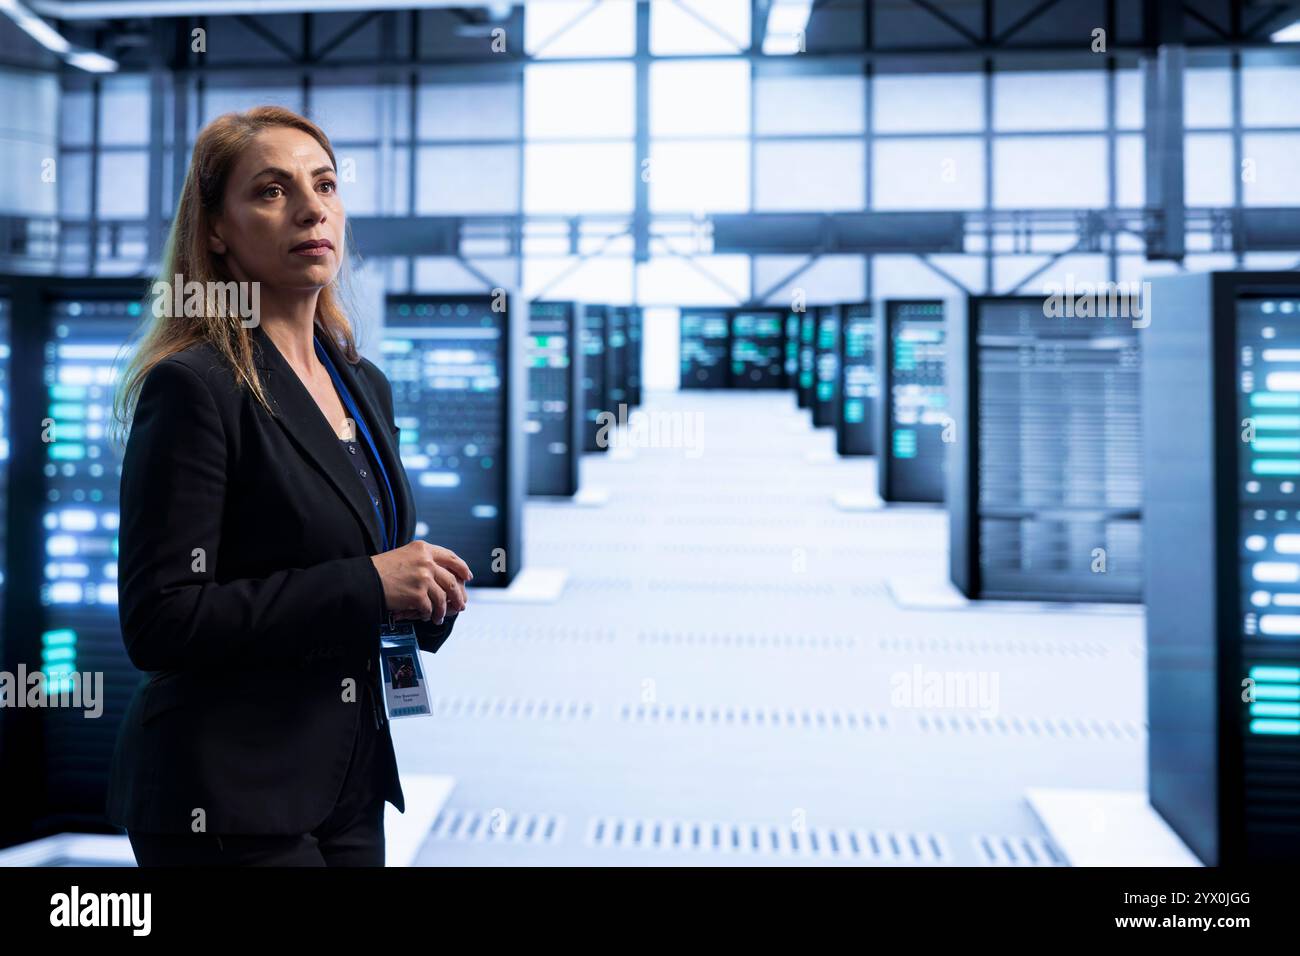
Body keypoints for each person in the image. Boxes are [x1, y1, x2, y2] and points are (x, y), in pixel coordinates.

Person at [104, 105, 472, 866]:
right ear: (216, 230)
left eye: (325, 185)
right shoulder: (195, 387)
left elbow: (363, 556)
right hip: (226, 791)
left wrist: (420, 593)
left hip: (347, 780)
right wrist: (368, 585)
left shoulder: (362, 383)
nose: (312, 208)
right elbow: (161, 620)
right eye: (272, 191)